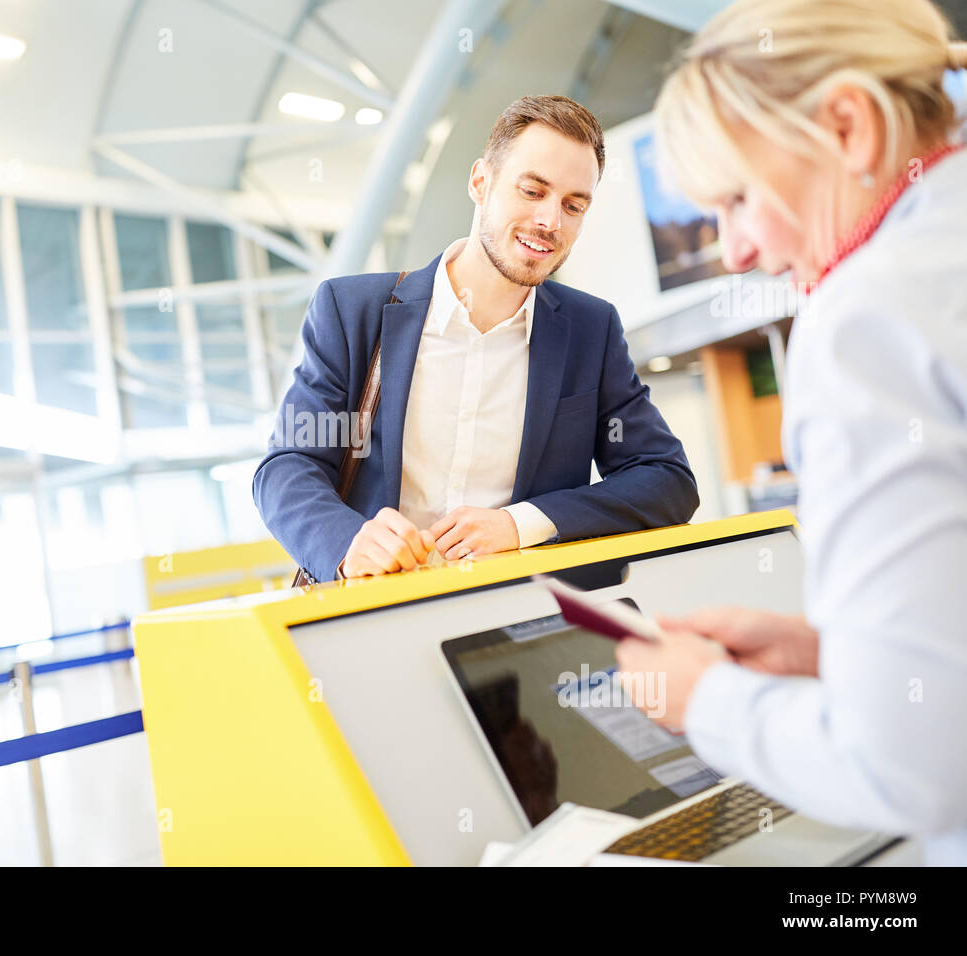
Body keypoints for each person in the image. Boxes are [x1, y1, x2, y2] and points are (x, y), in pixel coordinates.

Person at [613, 0, 967, 865]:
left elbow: (906, 769)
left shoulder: (867, 318)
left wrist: (704, 702)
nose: (733, 249)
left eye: (737, 197)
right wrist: (843, 657)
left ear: (848, 126)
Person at [254, 95, 698, 583]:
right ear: (480, 182)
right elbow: (288, 466)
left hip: (523, 620)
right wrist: (347, 542)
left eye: (574, 205)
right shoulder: (353, 312)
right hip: (371, 611)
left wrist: (520, 524)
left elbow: (667, 480)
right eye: (532, 191)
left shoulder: (591, 332)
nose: (551, 222)